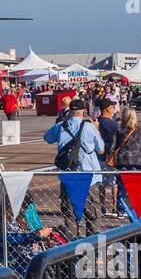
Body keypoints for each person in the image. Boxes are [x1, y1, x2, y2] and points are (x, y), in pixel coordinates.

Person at [51, 99, 106, 233]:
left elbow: (47, 138)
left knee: (70, 216)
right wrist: (97, 130)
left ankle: (72, 249)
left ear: (70, 111)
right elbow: (101, 150)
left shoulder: (61, 126)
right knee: (93, 216)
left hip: (68, 177)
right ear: (83, 112)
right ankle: (93, 248)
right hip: (89, 177)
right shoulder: (89, 127)